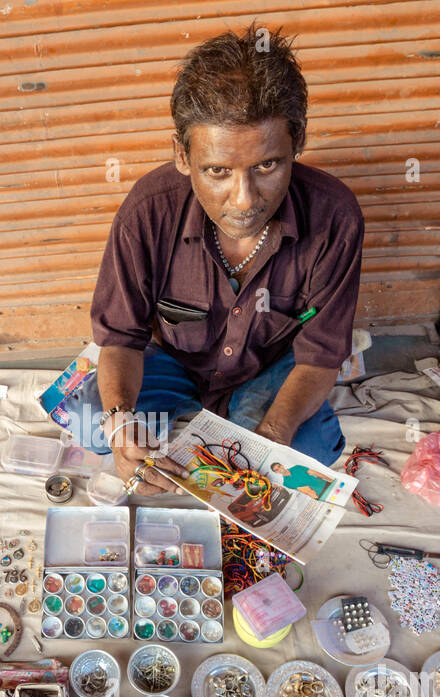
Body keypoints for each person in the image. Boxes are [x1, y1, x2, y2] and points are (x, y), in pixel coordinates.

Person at [79, 23, 365, 496]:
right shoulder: (147, 211)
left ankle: (246, 421)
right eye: (217, 171)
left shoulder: (335, 218)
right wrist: (121, 425)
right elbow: (121, 340)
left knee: (308, 450)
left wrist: (271, 436)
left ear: (298, 142)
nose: (243, 199)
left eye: (267, 166)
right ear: (182, 156)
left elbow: (320, 358)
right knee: (96, 426)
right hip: (170, 362)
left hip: (268, 367)